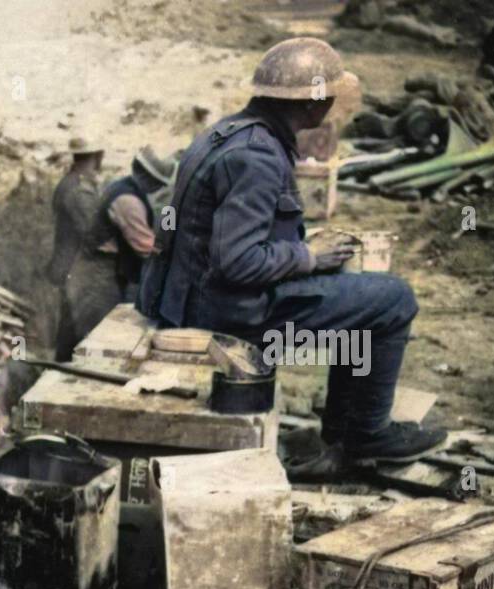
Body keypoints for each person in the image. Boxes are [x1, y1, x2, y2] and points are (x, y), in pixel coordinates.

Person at [137, 37, 446, 465]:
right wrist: (309, 256)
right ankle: (366, 434)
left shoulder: (226, 132)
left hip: (190, 299)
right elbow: (237, 261)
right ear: (310, 105)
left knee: (355, 295)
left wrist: (305, 249)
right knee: (394, 298)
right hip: (229, 315)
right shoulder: (258, 155)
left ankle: (345, 427)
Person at [45, 137, 109, 361]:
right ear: (97, 156)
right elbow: (95, 232)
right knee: (79, 328)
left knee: (70, 329)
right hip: (75, 268)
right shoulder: (78, 190)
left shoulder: (71, 181)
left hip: (69, 265)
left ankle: (61, 369)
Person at [98, 146, 179, 301]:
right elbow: (146, 247)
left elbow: (167, 223)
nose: (160, 188)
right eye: (159, 183)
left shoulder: (129, 186)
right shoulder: (128, 201)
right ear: (147, 177)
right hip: (107, 275)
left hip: (118, 268)